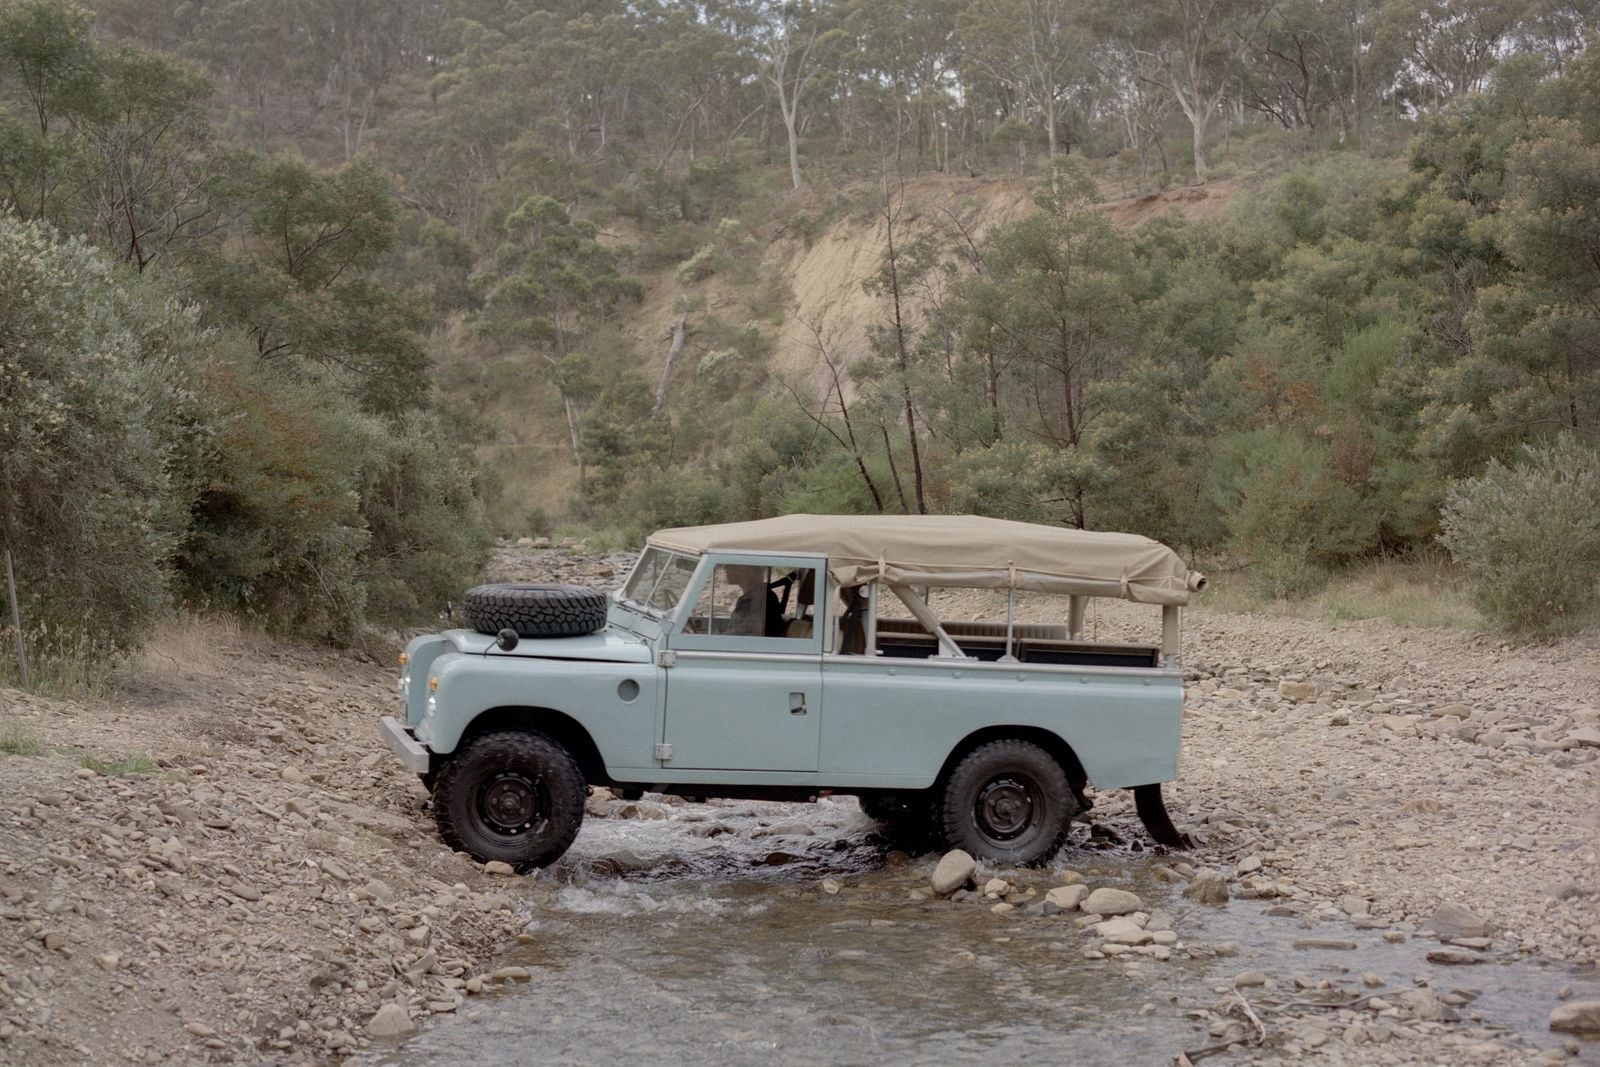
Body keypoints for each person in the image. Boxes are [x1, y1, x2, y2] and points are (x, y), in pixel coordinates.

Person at [724, 565, 783, 636]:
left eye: (732, 563)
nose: (725, 567)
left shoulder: (762, 597)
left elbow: (750, 630)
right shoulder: (748, 597)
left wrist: (721, 638)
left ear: (750, 571)